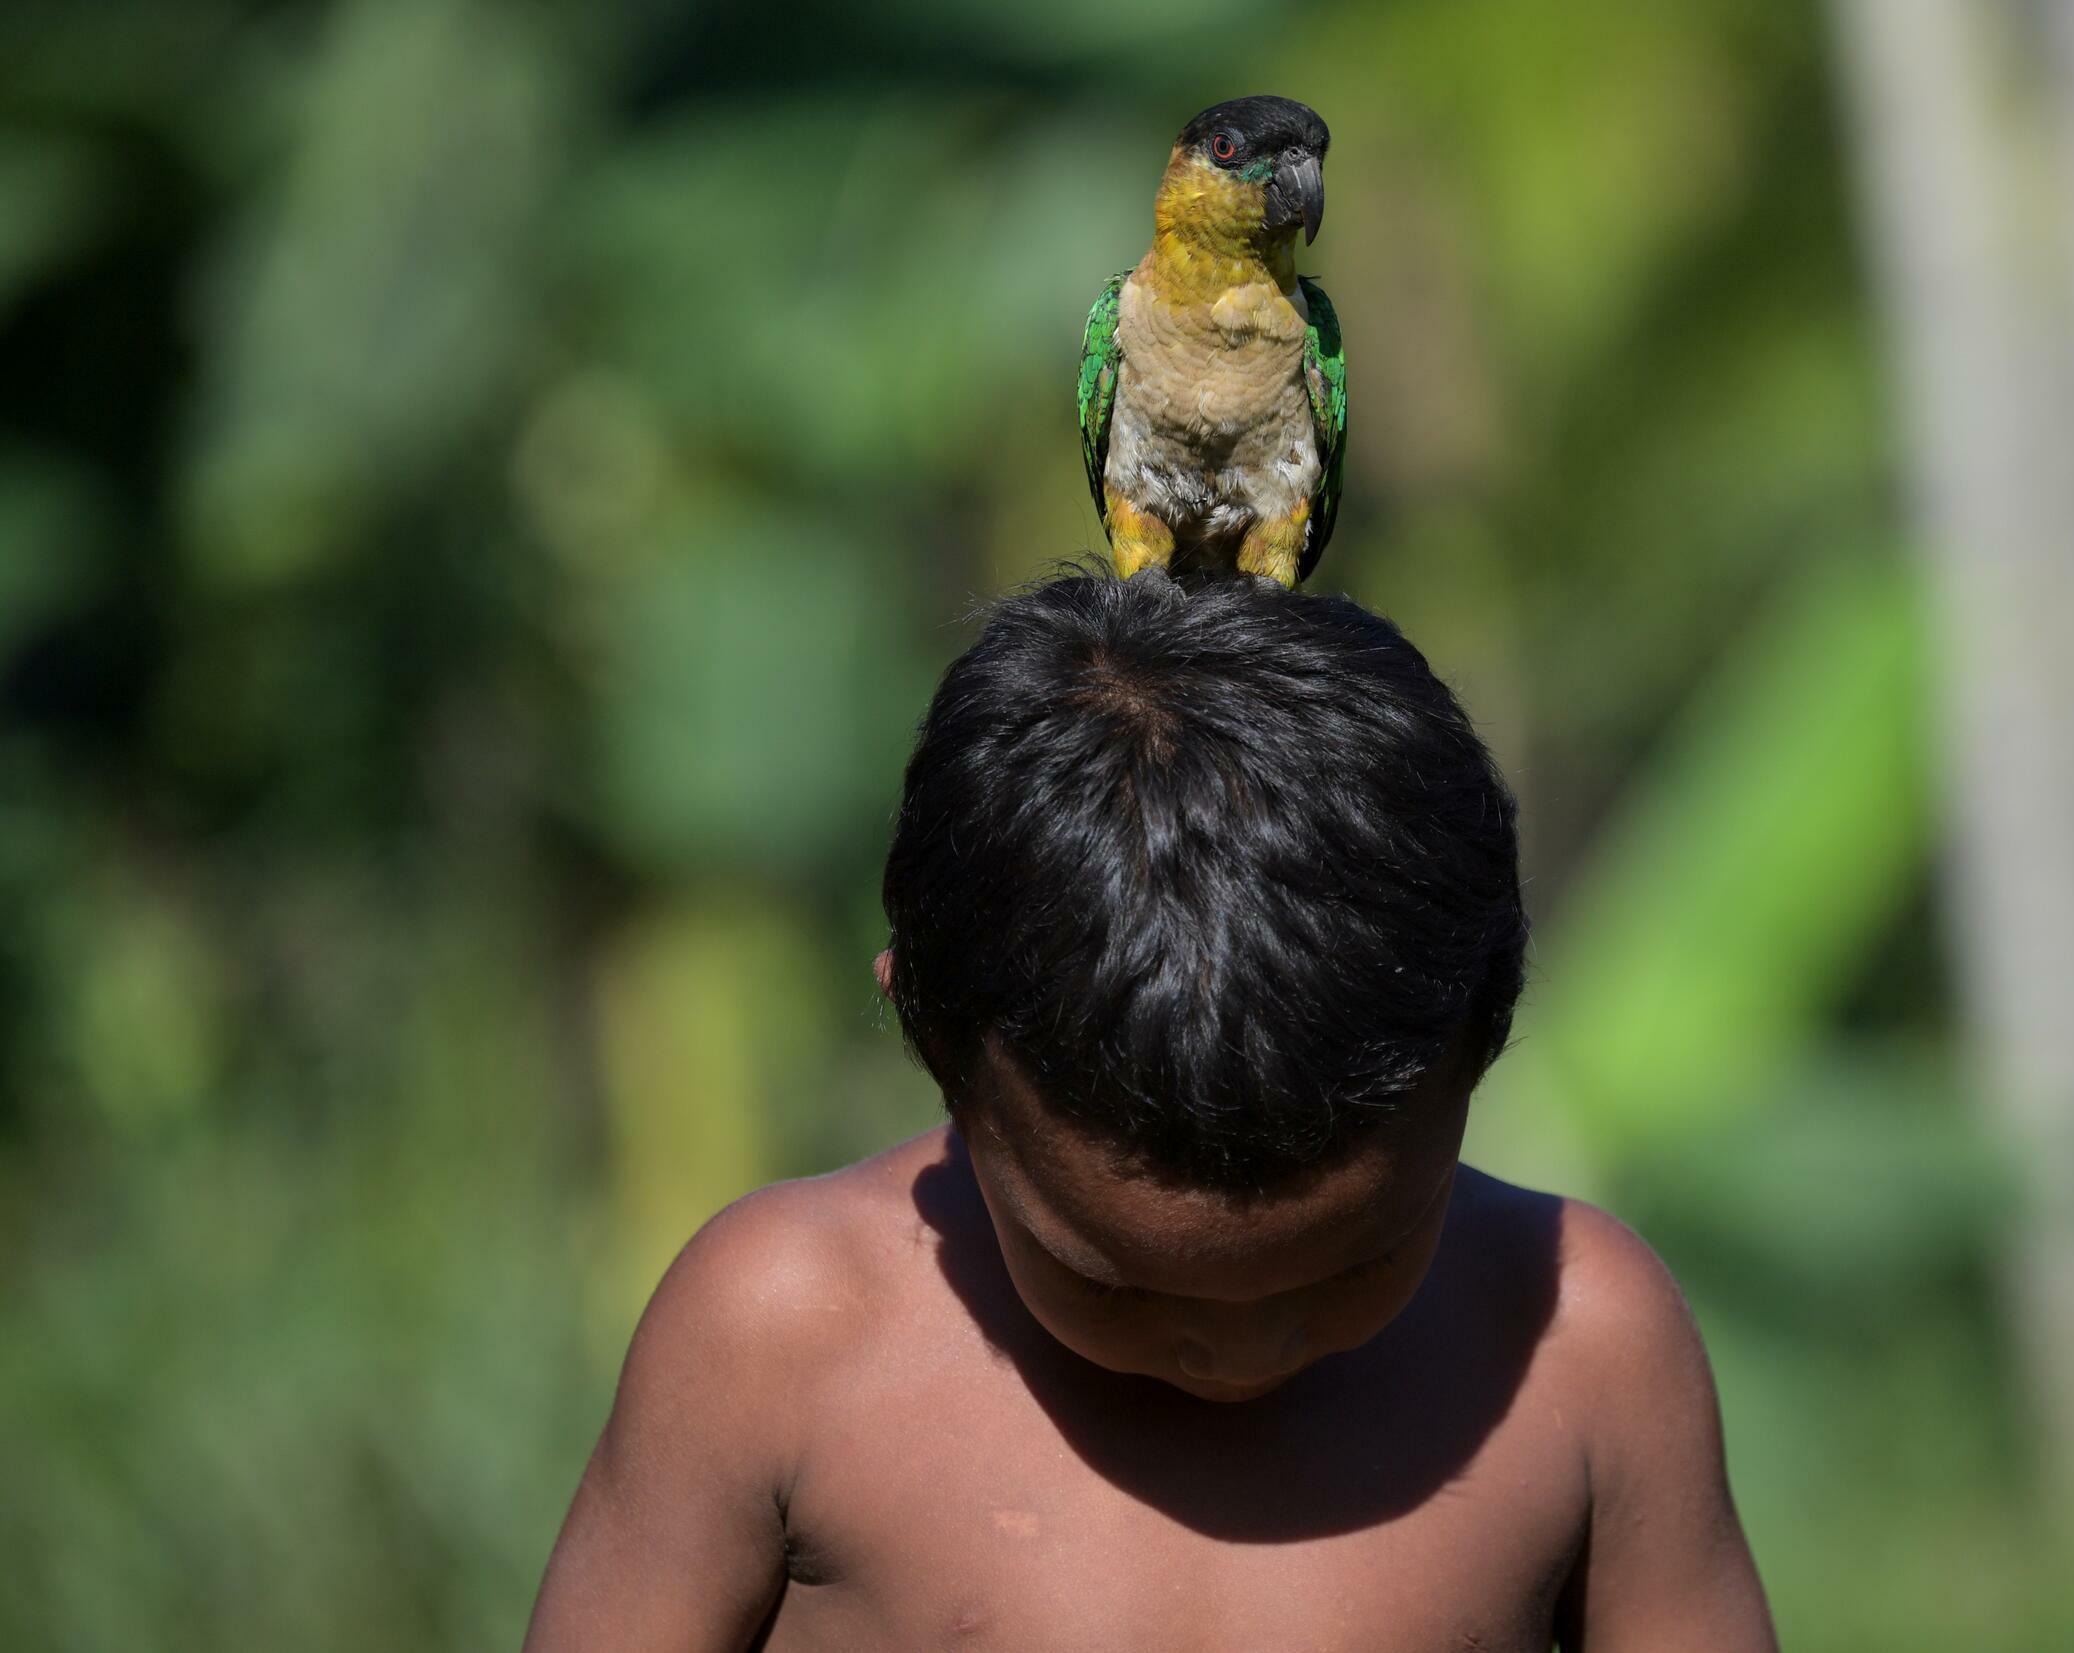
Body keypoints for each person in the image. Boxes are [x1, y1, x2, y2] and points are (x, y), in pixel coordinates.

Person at [521, 571, 1777, 1651]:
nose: (1241, 1354)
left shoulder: (1578, 1347)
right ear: (936, 1047)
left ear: (1482, 1040)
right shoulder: (780, 1341)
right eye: (1114, 1284)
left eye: (1352, 1264)